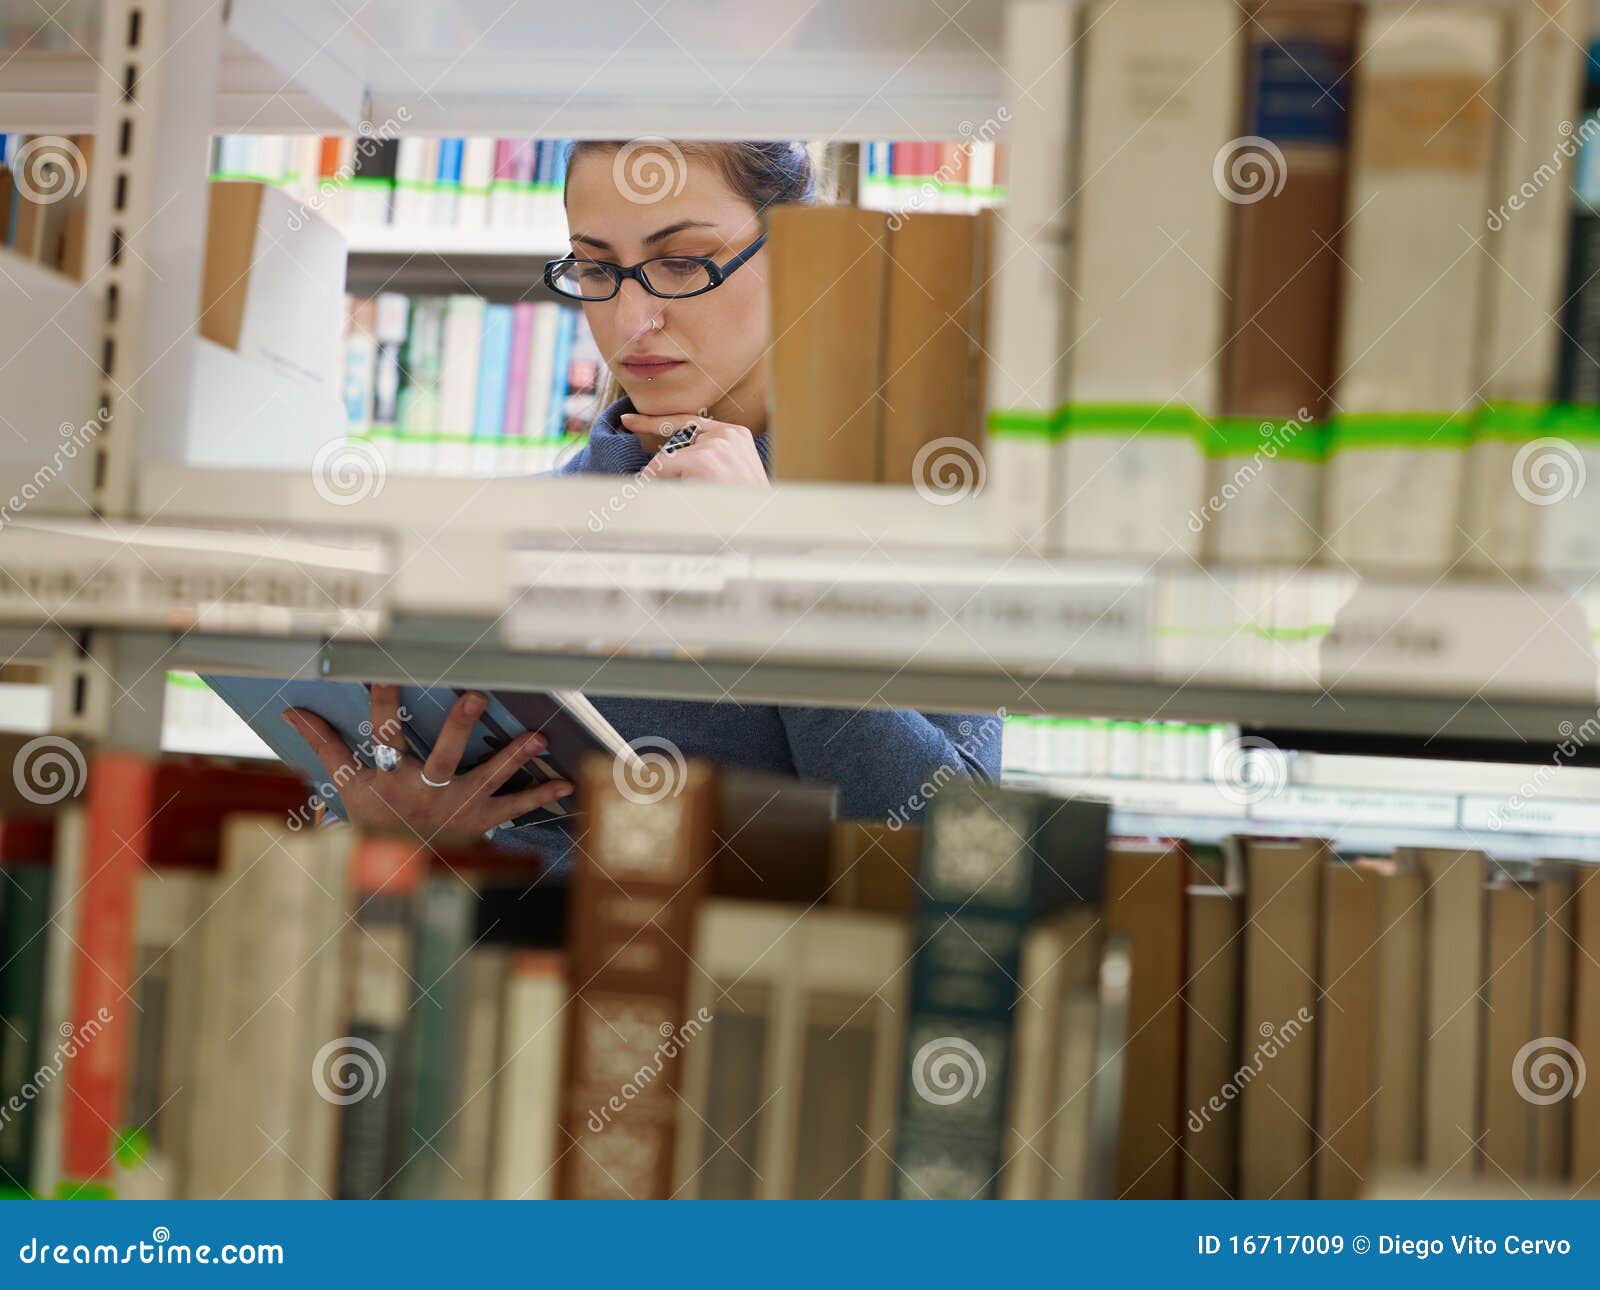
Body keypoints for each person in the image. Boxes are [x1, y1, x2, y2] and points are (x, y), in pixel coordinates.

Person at [284, 140, 1001, 859]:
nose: (630, 324)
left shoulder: (922, 517)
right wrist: (389, 839)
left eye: (682, 263)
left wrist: (777, 569)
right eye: (596, 269)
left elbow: (954, 852)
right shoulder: (505, 531)